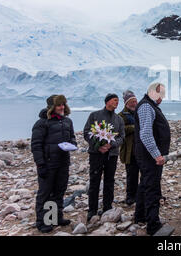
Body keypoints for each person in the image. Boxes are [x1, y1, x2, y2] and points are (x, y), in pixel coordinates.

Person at [31, 94, 77, 233]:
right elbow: (36, 145)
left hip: (63, 162)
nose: (62, 107)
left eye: (63, 104)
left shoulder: (67, 121)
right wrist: (41, 165)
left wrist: (72, 144)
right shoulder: (42, 123)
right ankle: (43, 222)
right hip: (48, 163)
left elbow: (72, 138)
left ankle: (56, 217)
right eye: (59, 105)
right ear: (51, 107)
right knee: (45, 193)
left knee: (59, 191)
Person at [134, 83, 174, 236]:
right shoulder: (146, 106)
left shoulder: (149, 105)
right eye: (160, 94)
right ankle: (153, 225)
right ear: (152, 92)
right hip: (149, 157)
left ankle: (140, 215)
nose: (162, 98)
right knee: (152, 187)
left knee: (145, 184)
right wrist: (157, 154)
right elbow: (145, 134)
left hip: (147, 155)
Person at [83, 93, 125, 221]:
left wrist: (110, 145)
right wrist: (98, 146)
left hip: (111, 155)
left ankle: (107, 207)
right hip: (96, 154)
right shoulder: (94, 115)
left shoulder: (119, 119)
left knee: (109, 181)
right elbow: (86, 133)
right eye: (115, 100)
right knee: (94, 181)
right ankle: (92, 210)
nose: (117, 103)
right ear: (107, 101)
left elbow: (121, 137)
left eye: (118, 101)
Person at [118, 90, 139, 206]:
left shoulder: (139, 112)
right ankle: (130, 196)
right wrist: (135, 127)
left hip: (140, 150)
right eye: (132, 102)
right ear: (126, 103)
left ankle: (140, 195)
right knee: (131, 174)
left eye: (135, 101)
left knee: (144, 173)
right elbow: (120, 129)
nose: (134, 103)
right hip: (129, 150)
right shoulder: (121, 116)